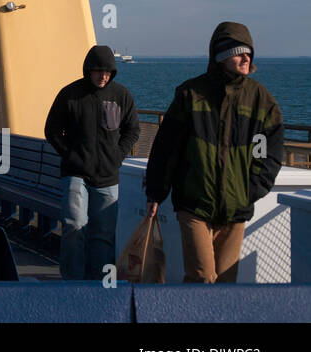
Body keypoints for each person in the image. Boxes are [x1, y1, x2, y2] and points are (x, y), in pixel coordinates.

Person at [145, 22, 284, 283]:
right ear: (220, 56)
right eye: (238, 51)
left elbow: (267, 152)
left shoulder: (261, 100)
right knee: (202, 278)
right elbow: (167, 147)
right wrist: (155, 191)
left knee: (225, 285)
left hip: (236, 208)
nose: (246, 57)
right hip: (194, 203)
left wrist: (251, 189)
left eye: (249, 52)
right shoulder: (190, 94)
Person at [44, 45, 140, 280]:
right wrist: (71, 155)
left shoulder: (122, 95)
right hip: (76, 174)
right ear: (88, 70)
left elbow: (132, 130)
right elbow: (52, 130)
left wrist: (118, 156)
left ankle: (98, 285)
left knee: (103, 235)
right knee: (74, 226)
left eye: (107, 72)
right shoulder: (70, 94)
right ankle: (73, 282)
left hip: (108, 176)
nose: (103, 76)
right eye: (98, 71)